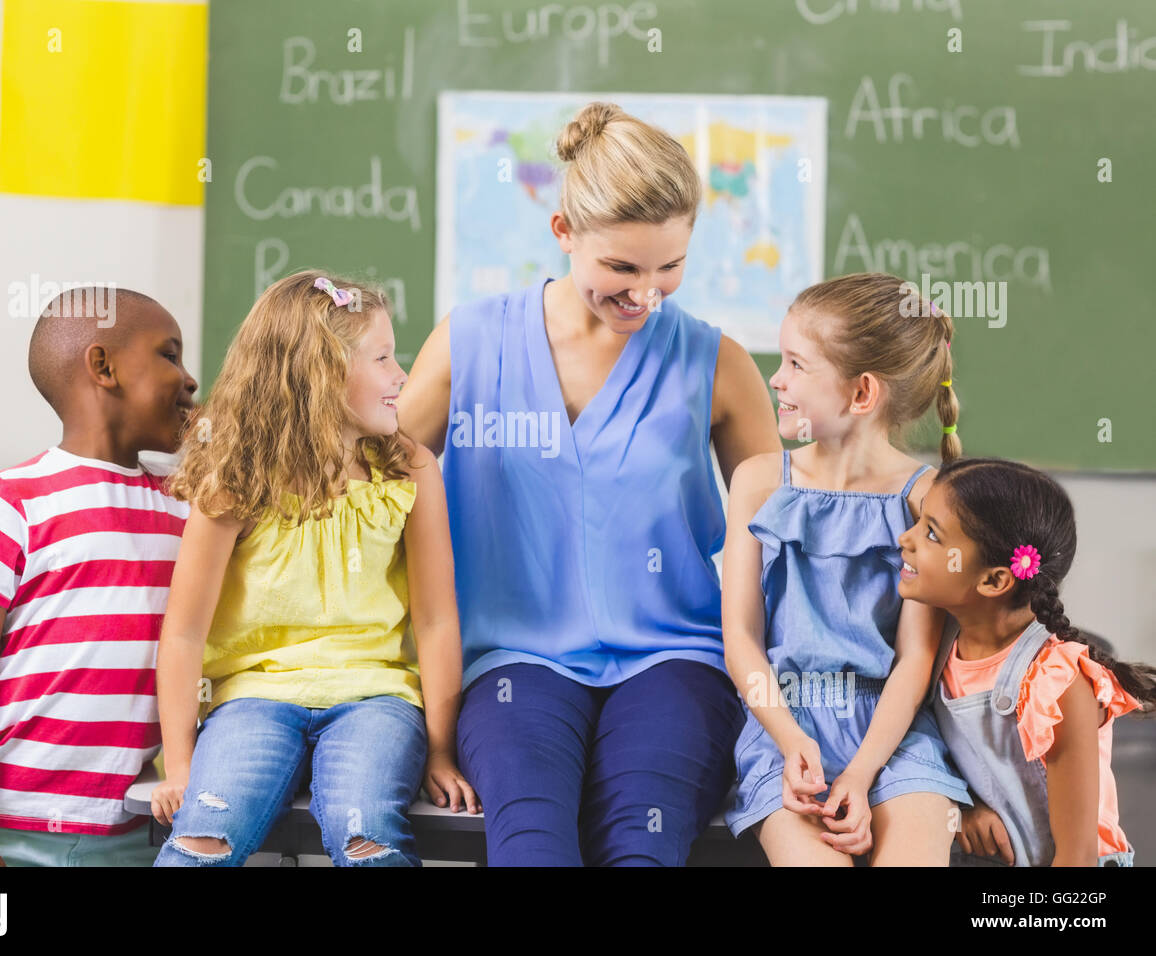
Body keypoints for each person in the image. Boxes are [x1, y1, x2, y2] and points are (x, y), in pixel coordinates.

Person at [399, 101, 781, 865]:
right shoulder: (468, 343)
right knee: (533, 847)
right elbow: (371, 490)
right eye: (622, 268)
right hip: (513, 662)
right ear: (564, 234)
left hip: (676, 660)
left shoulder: (719, 364)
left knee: (641, 847)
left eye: (670, 266)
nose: (647, 293)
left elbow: (781, 537)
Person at [151, 271, 475, 867]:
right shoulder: (236, 478)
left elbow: (435, 621)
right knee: (204, 834)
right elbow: (184, 631)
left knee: (366, 831)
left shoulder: (412, 471)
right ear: (322, 375)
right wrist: (179, 764)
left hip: (377, 698)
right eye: (382, 358)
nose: (401, 376)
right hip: (253, 698)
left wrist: (440, 752)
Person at [0, 287, 196, 866]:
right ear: (103, 367)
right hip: (5, 825)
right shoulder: (13, 499)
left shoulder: (184, 510)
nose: (191, 379)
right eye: (170, 356)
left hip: (126, 828)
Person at [722, 272, 971, 865]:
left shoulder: (925, 498)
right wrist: (791, 742)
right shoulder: (757, 482)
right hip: (782, 727)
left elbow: (914, 659)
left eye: (796, 365)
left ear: (862, 394)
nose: (775, 380)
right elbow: (741, 641)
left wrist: (860, 775)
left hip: (892, 735)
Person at [899, 457, 1155, 866]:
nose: (904, 539)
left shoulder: (1057, 684)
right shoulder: (936, 646)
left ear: (995, 580)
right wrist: (963, 809)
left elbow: (1078, 855)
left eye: (931, 534)